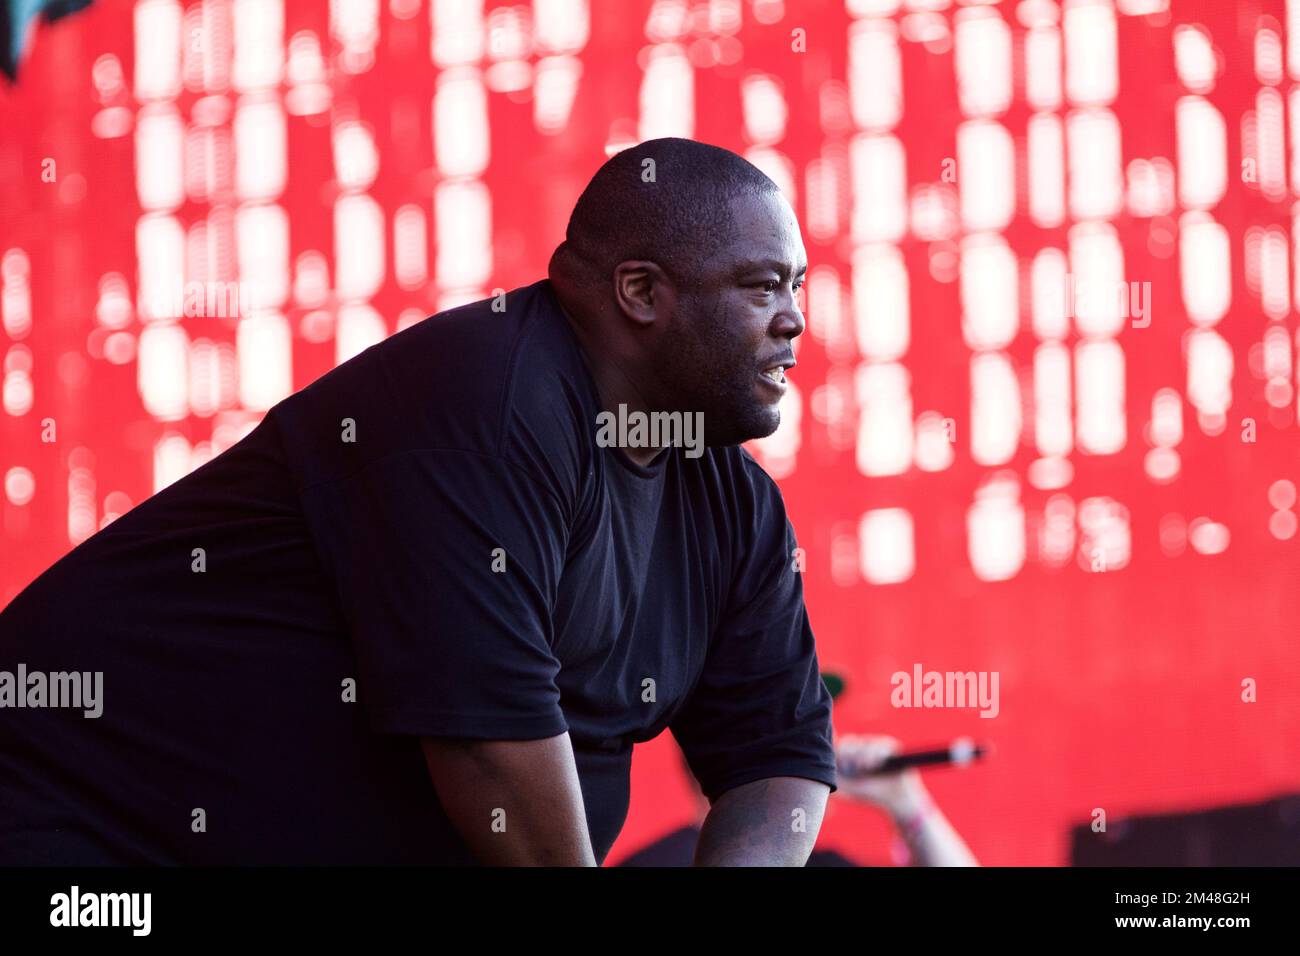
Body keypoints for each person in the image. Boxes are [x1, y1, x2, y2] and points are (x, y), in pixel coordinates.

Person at [0, 137, 837, 866]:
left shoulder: (735, 506)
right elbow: (488, 743)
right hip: (81, 827)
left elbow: (777, 749)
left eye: (799, 286)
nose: (796, 321)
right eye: (764, 288)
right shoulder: (488, 405)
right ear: (642, 293)